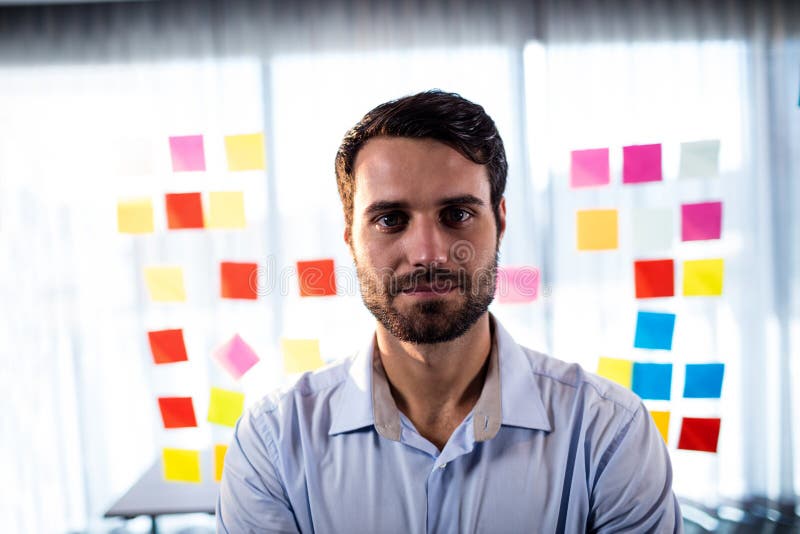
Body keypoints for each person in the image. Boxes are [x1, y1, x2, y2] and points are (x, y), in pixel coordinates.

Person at [217, 90, 683, 533]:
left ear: (500, 222)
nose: (429, 253)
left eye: (457, 214)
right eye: (389, 219)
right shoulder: (272, 443)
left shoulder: (609, 435)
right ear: (349, 239)